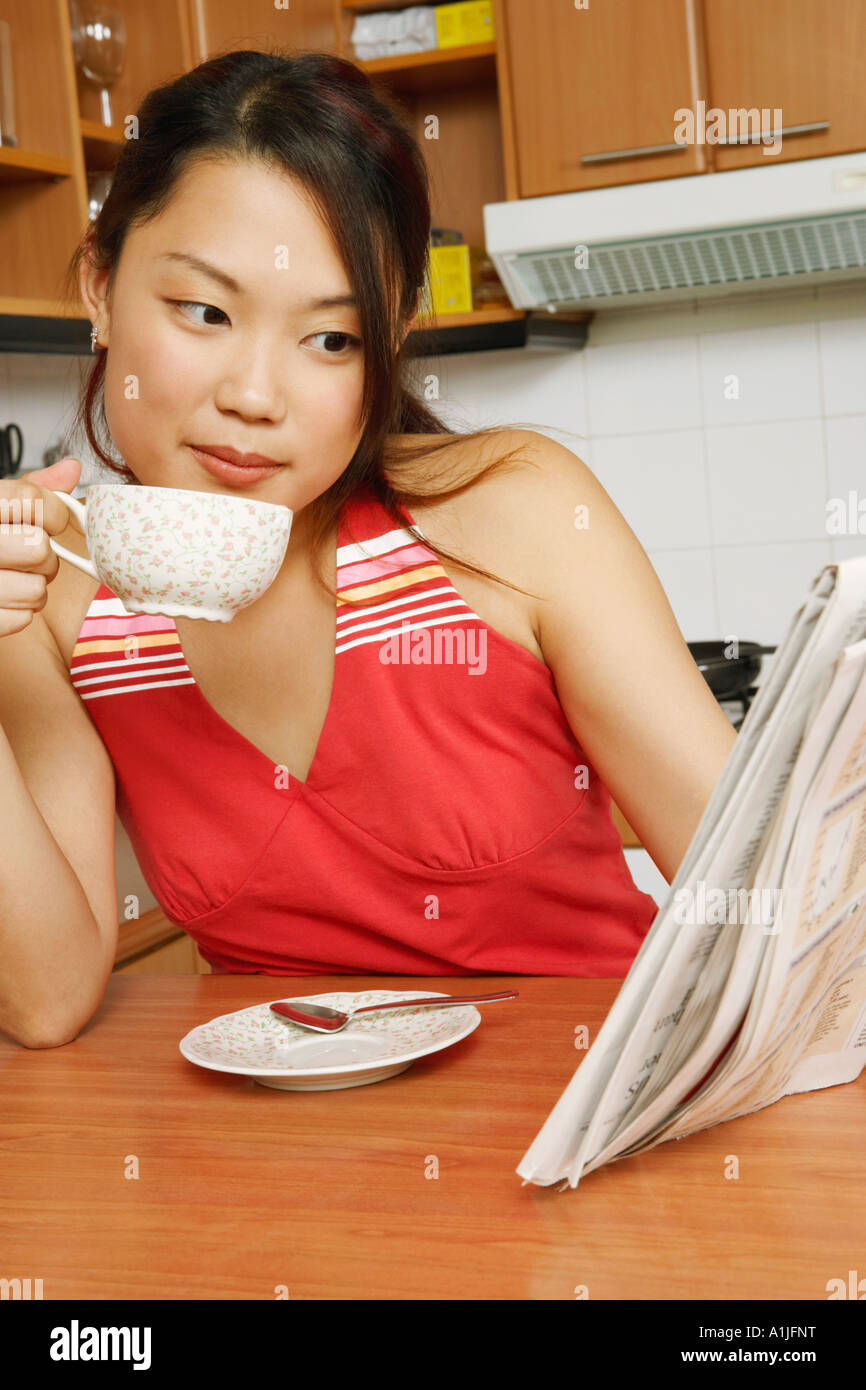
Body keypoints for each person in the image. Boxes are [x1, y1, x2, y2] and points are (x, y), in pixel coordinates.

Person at [0, 50, 737, 1046]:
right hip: (293, 1166)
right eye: (204, 312)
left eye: (332, 340)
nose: (255, 396)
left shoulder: (506, 511)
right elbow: (43, 1001)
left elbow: (755, 895)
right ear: (100, 283)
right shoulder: (51, 597)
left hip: (593, 1124)